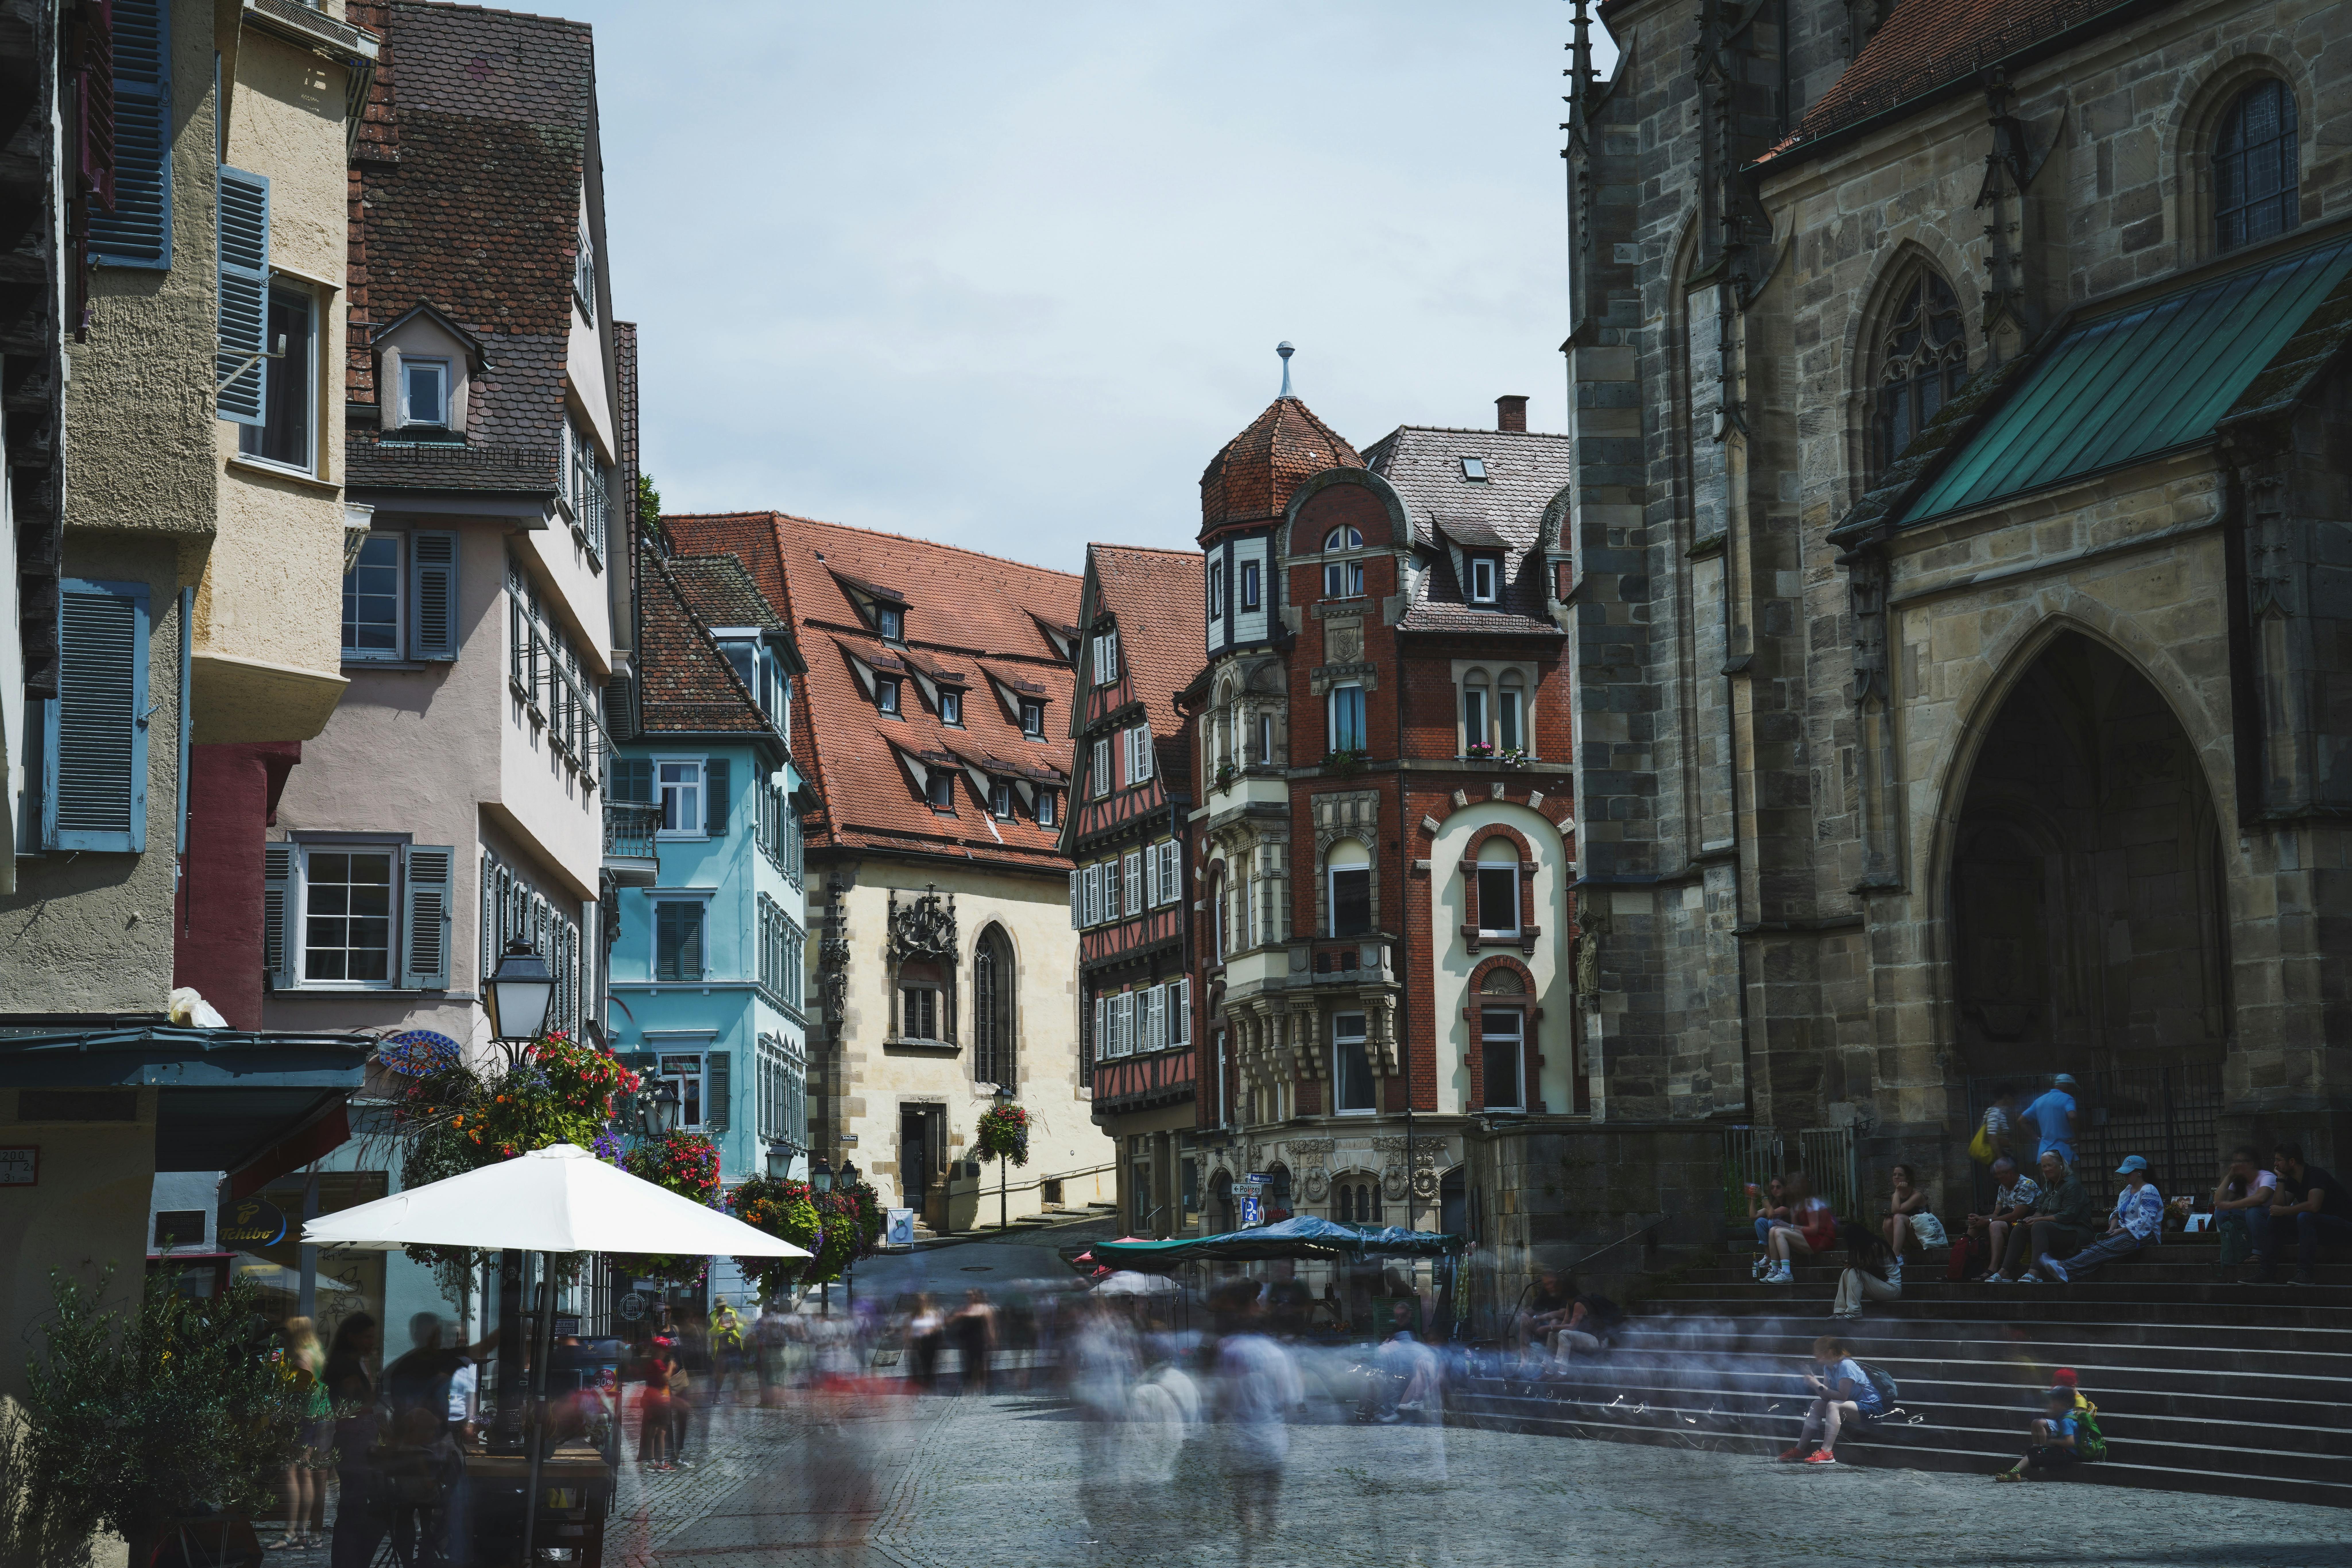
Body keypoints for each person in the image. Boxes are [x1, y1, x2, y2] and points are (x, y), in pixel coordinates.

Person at [1210, 1281, 1303, 1564]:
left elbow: (1222, 1400)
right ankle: (1267, 1539)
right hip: (1272, 1440)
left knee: (1244, 1500)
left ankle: (1248, 1548)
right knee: (1268, 1501)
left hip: (1242, 1440)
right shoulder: (1278, 1353)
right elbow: (1291, 1399)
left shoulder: (1230, 1350)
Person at [2035, 1156, 2162, 1281]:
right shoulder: (2127, 1191)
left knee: (2104, 1248)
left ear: (2140, 1173)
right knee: (2103, 1250)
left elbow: (2146, 1221)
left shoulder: (2149, 1190)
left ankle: (2063, 1266)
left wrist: (2120, 1231)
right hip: (2126, 1231)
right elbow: (2117, 1213)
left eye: (2128, 1174)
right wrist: (2112, 1230)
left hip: (2145, 1234)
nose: (2125, 1176)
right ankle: (2069, 1274)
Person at [323, 1313, 383, 1568]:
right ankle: (352, 1561)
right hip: (355, 1438)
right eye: (368, 1336)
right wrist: (375, 1380)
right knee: (357, 1504)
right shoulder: (346, 1366)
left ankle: (351, 1560)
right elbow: (358, 1405)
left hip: (354, 1437)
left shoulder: (348, 1363)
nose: (372, 1341)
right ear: (353, 1336)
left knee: (357, 1504)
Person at [382, 1311, 496, 1438]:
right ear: (417, 1335)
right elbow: (404, 1410)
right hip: (417, 1438)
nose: (435, 1339)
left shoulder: (446, 1359)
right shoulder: (403, 1369)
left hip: (438, 1435)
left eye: (437, 1334)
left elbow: (485, 1348)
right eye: (431, 1335)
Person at [1985, 1152, 2095, 1282]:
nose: (2047, 1169)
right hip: (2055, 1229)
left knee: (2039, 1225)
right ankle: (2004, 1272)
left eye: (2050, 1165)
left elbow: (2067, 1216)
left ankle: (2034, 1272)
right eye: (2044, 1166)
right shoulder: (2049, 1185)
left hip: (2077, 1232)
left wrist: (2038, 1220)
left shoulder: (2072, 1185)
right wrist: (2030, 1219)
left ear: (2061, 1166)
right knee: (2021, 1227)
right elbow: (2040, 1211)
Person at [2254, 1143, 2352, 1285]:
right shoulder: (2292, 1180)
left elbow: (2314, 1206)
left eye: (2278, 1160)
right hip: (2317, 1228)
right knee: (2275, 1219)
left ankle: (2305, 1273)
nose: (2275, 1164)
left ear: (2292, 1162)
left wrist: (2283, 1210)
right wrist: (2281, 1179)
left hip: (2343, 1228)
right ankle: (2266, 1272)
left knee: (2305, 1216)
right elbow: (2278, 1207)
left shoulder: (2316, 1175)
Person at [272, 1317, 331, 1552]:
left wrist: (283, 1415)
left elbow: (303, 1391)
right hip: (320, 1416)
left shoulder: (301, 1358)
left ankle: (291, 1532)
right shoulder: (317, 1352)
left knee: (291, 1472)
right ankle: (302, 1533)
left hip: (304, 1418)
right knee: (305, 1474)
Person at [1780, 1335, 1881, 1465]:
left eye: (1818, 1353)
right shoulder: (1828, 1367)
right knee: (1816, 1404)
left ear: (1830, 1352)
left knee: (1834, 1405)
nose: (1815, 1356)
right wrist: (1814, 1383)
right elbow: (1826, 1397)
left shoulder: (1847, 1366)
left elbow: (1842, 1397)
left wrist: (1817, 1385)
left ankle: (1827, 1453)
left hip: (1872, 1408)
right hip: (1851, 1406)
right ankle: (1800, 1450)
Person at [1966, 1155, 2040, 1283]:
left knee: (1995, 1225)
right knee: (1975, 1225)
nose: (1998, 1177)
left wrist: (1988, 1222)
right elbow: (1996, 1214)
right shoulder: (2003, 1187)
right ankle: (1961, 1267)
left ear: (2011, 1173)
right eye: (1997, 1175)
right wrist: (1980, 1218)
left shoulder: (2026, 1185)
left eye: (2001, 1174)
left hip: (2025, 1223)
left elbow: (2017, 1215)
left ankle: (1993, 1268)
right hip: (2009, 1223)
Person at [1993, 1382, 2085, 1480]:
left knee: (2037, 1453)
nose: (2051, 1404)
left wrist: (2053, 1441)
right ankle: (2017, 1473)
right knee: (2037, 1452)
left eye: (2054, 1401)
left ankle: (2015, 1474)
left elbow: (2070, 1442)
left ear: (2064, 1404)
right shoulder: (2066, 1416)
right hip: (2066, 1453)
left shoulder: (2067, 1420)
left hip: (2068, 1455)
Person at [2208, 1147, 2277, 1276]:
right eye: (2234, 1161)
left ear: (2251, 1163)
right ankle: (2233, 1250)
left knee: (2253, 1210)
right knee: (2220, 1212)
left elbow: (2261, 1198)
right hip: (2254, 1221)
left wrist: (2231, 1205)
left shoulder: (2267, 1177)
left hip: (2275, 1220)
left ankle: (2258, 1252)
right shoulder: (2240, 1182)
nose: (2235, 1165)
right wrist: (2229, 1177)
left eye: (2239, 1162)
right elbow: (2218, 1202)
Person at [1760, 1172, 1835, 1284]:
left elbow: (1814, 1230)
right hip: (1807, 1237)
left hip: (1821, 1239)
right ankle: (1775, 1271)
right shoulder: (1796, 1205)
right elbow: (1796, 1229)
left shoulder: (1811, 1202)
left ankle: (1786, 1273)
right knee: (1773, 1230)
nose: (1789, 1188)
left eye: (1792, 1186)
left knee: (1780, 1232)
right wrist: (1786, 1227)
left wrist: (1788, 1226)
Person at [1881, 1163, 1946, 1280]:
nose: (1896, 1178)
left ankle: (1895, 1255)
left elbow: (1897, 1211)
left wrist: (1897, 1190)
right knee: (1888, 1221)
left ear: (1908, 1179)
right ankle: (1899, 1255)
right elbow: (1895, 1211)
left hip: (1924, 1239)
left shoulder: (1917, 1195)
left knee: (1899, 1217)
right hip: (1910, 1238)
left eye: (1900, 1175)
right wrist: (1897, 1194)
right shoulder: (1896, 1196)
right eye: (1894, 1175)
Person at [1832, 1222, 1900, 1319]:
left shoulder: (1876, 1246)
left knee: (1854, 1272)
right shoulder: (1864, 1248)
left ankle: (1854, 1311)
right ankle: (1840, 1311)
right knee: (1846, 1272)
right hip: (1879, 1287)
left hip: (1893, 1289)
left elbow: (1872, 1270)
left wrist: (1854, 1265)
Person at [2020, 1074, 2080, 1165]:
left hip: (2044, 1153)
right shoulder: (2068, 1099)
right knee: (2067, 1179)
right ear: (2068, 1086)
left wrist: (2037, 1139)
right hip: (2063, 1152)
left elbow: (2021, 1121)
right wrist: (2076, 1137)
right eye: (2072, 1088)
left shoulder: (2040, 1101)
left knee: (2048, 1179)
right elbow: (2073, 1116)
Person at [636, 1337, 674, 1470]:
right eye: (665, 1350)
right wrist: (671, 1368)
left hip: (653, 1400)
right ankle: (661, 1463)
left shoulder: (651, 1362)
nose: (666, 1353)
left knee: (654, 1431)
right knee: (661, 1432)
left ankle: (653, 1462)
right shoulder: (658, 1363)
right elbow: (665, 1378)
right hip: (660, 1401)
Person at [951, 1288, 998, 1394]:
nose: (969, 1297)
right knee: (968, 1362)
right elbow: (951, 1321)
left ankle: (981, 1384)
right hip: (966, 1339)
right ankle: (970, 1386)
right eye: (967, 1295)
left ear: (976, 1296)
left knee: (980, 1362)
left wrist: (992, 1340)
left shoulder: (984, 1309)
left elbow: (990, 1326)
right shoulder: (963, 1308)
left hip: (980, 1339)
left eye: (971, 1295)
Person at [1744, 1176, 1792, 1275]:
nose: (1775, 1190)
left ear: (1785, 1188)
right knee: (1760, 1222)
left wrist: (1762, 1194)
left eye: (1778, 1187)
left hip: (1790, 1235)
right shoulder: (1773, 1203)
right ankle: (1769, 1256)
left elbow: (1772, 1215)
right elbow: (1754, 1216)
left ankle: (1778, 1258)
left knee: (1772, 1222)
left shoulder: (1789, 1203)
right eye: (1773, 1187)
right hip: (1778, 1235)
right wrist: (1752, 1197)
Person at [906, 1294, 945, 1390]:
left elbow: (939, 1326)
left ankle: (928, 1382)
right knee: (915, 1363)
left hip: (929, 1340)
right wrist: (908, 1340)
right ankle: (918, 1383)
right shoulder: (914, 1314)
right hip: (916, 1341)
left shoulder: (933, 1313)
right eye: (919, 1301)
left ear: (927, 1301)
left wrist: (930, 1331)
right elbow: (909, 1327)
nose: (921, 1303)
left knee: (928, 1362)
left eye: (923, 1301)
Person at [1977, 1084, 2020, 1163]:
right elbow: (1991, 1136)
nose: (2014, 1102)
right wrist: (2001, 1158)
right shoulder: (1995, 1113)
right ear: (2006, 1097)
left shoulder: (1999, 1113)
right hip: (2000, 1158)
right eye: (2013, 1099)